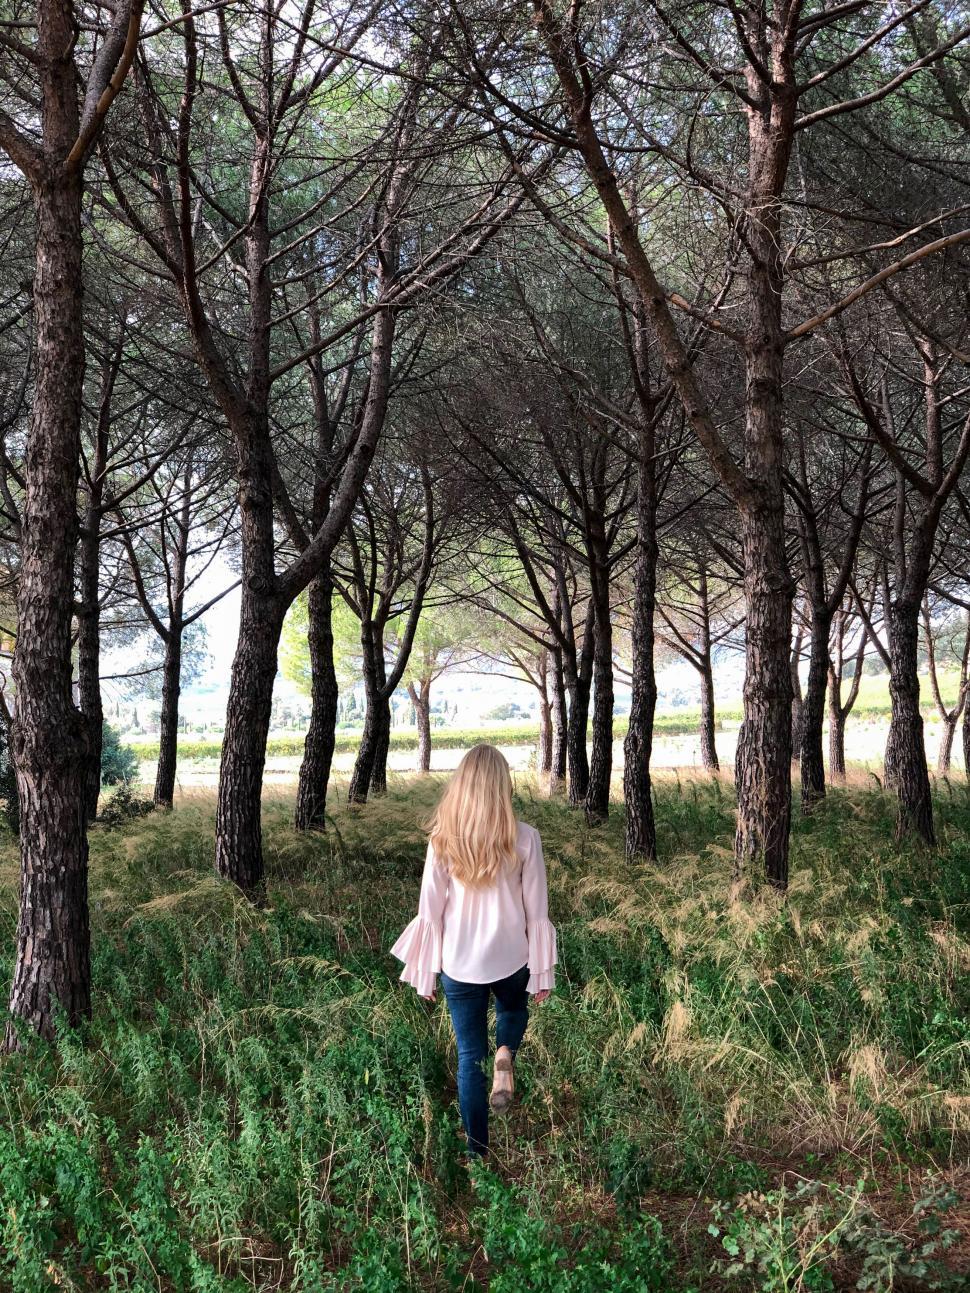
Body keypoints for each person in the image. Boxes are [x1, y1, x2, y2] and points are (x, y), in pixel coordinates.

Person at [390, 744, 558, 1158]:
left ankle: (477, 1154)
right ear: (503, 786)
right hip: (512, 956)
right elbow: (537, 910)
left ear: (461, 786)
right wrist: (542, 971)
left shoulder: (443, 840)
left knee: (468, 1058)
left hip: (460, 962)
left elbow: (430, 911)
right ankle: (506, 1052)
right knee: (514, 1011)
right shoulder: (524, 837)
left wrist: (425, 972)